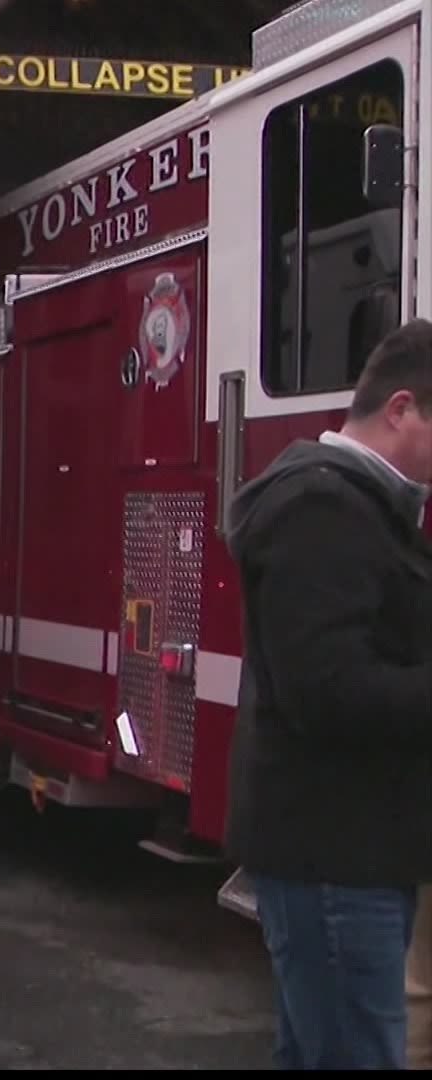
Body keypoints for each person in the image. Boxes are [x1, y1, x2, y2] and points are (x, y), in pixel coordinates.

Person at [224, 318, 432, 1070]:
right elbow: (330, 690)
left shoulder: (365, 509)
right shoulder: (323, 510)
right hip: (335, 858)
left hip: (355, 856)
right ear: (400, 409)